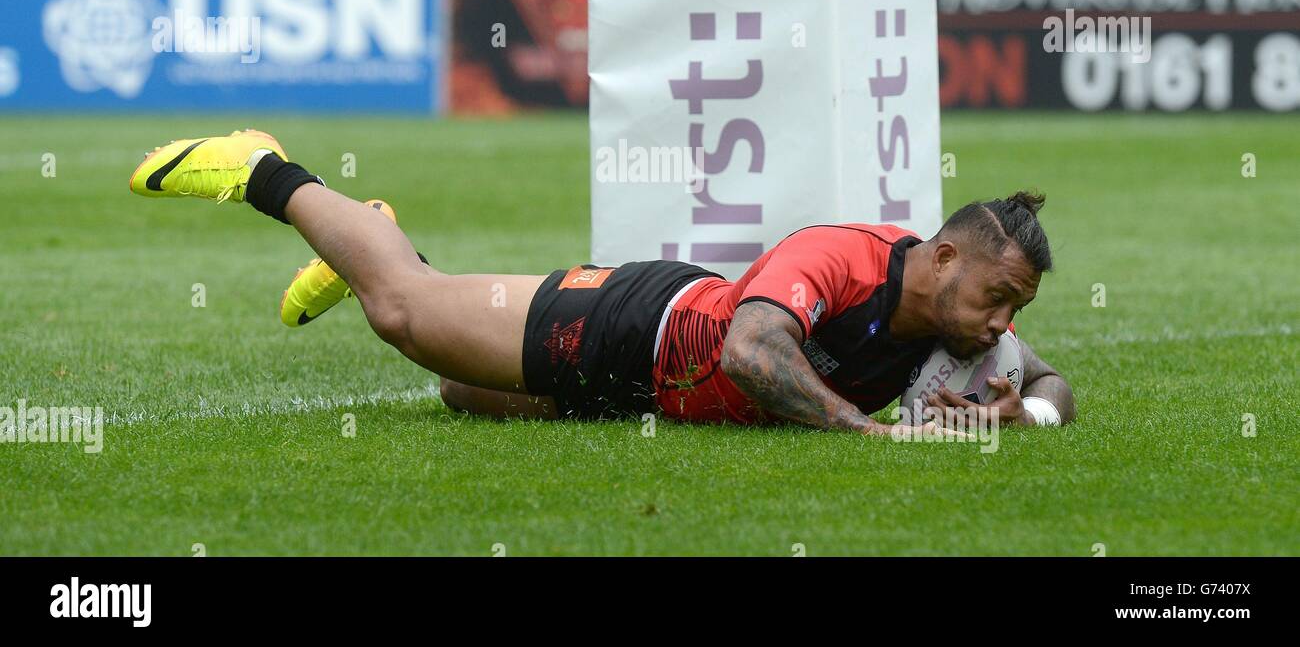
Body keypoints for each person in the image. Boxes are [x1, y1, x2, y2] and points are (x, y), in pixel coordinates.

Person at [128, 129, 1076, 437]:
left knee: (464, 393)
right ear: (942, 259)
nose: (1001, 323)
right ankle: (268, 173)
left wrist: (1016, 414)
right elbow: (751, 355)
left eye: (1015, 311)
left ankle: (372, 237)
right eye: (997, 297)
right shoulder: (841, 254)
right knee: (406, 316)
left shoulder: (968, 334)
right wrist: (870, 435)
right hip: (637, 325)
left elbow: (1051, 386)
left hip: (649, 397)